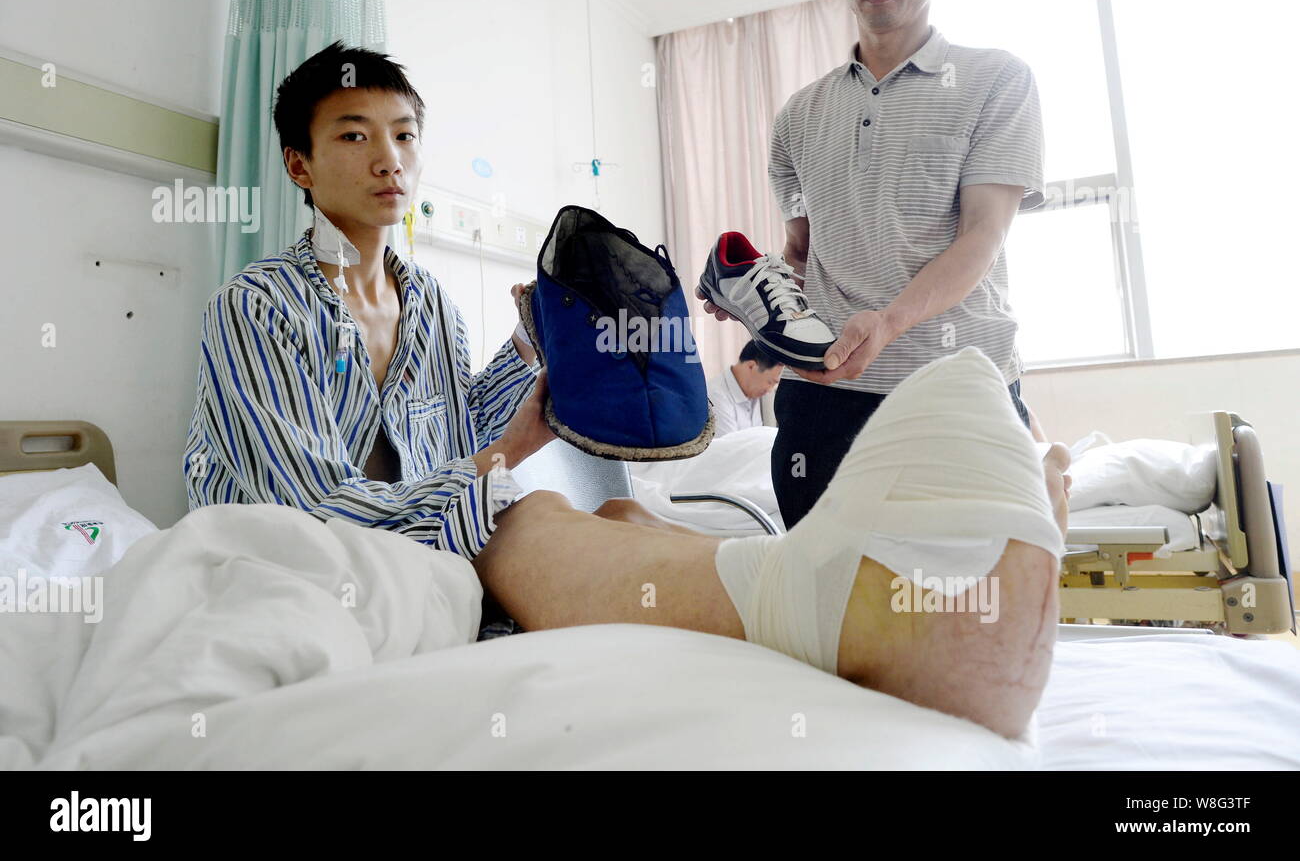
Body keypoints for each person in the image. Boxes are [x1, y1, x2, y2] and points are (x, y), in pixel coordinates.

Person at [183, 41, 1073, 741]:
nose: (389, 157)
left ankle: (843, 593)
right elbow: (306, 506)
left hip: (416, 544)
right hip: (308, 558)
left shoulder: (428, 305)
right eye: (353, 134)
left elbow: (457, 432)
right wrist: (498, 468)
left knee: (617, 520)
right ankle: (837, 602)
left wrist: (537, 347)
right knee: (519, 518)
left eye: (404, 133)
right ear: (299, 165)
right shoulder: (259, 307)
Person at [700, 0, 1048, 532]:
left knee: (972, 605)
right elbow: (804, 254)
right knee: (825, 612)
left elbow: (983, 234)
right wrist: (758, 301)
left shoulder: (997, 81)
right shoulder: (798, 116)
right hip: (823, 400)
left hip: (957, 390)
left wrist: (889, 322)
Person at [706, 342, 783, 437]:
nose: (770, 390)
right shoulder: (716, 396)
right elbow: (730, 447)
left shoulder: (751, 392)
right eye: (770, 382)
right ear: (751, 366)